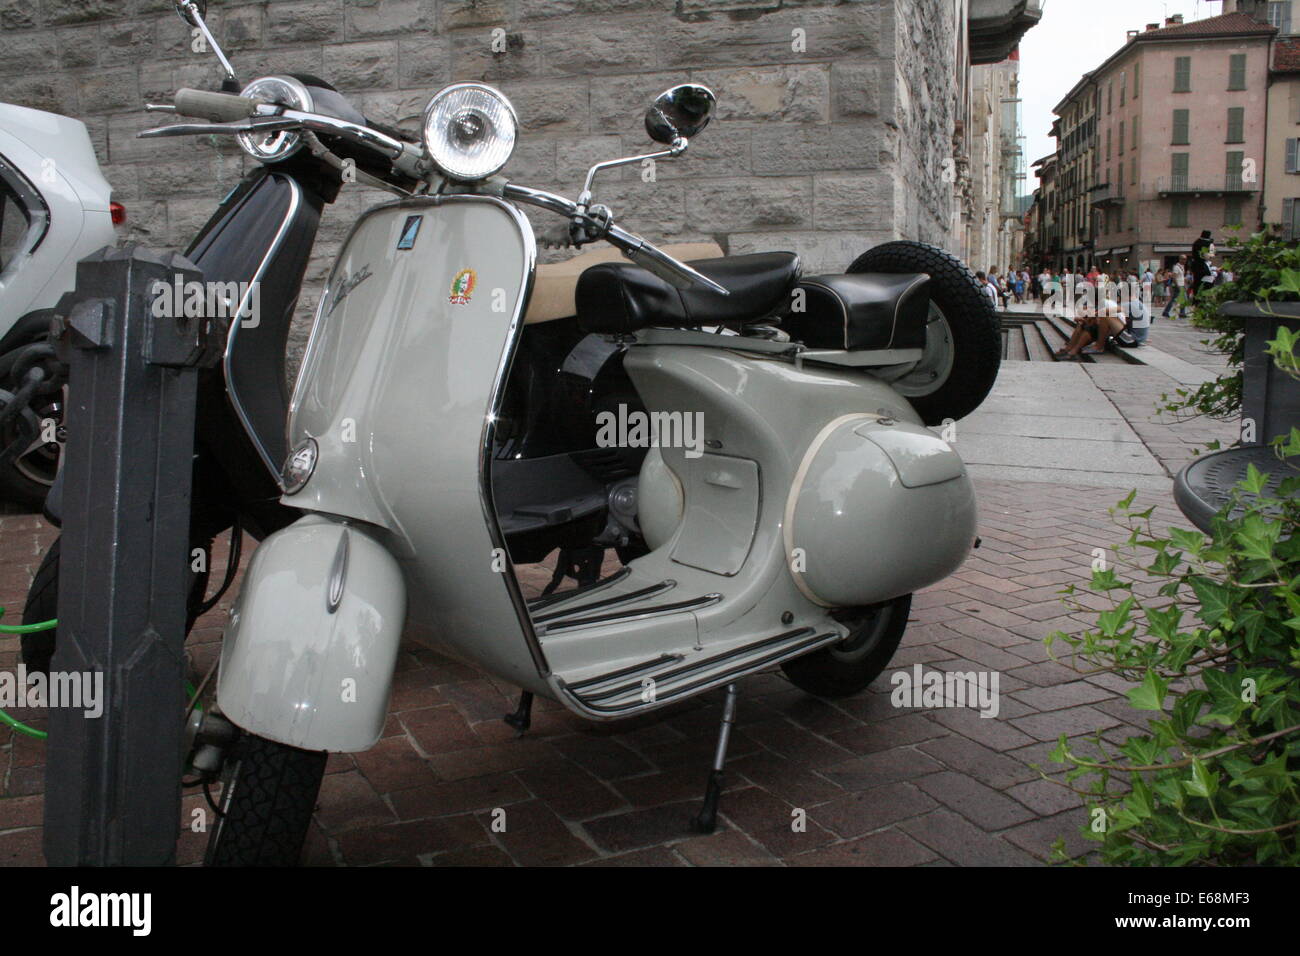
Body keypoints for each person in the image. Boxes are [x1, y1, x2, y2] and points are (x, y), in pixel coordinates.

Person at [1162, 254, 1188, 319]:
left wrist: (1184, 284)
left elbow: (1181, 277)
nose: (1185, 260)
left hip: (1181, 285)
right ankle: (1167, 312)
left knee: (1182, 299)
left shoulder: (1182, 266)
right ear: (1180, 259)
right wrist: (1177, 286)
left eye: (1185, 259)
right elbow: (1174, 277)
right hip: (1178, 285)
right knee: (1176, 299)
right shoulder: (1176, 267)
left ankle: (1181, 313)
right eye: (1183, 259)